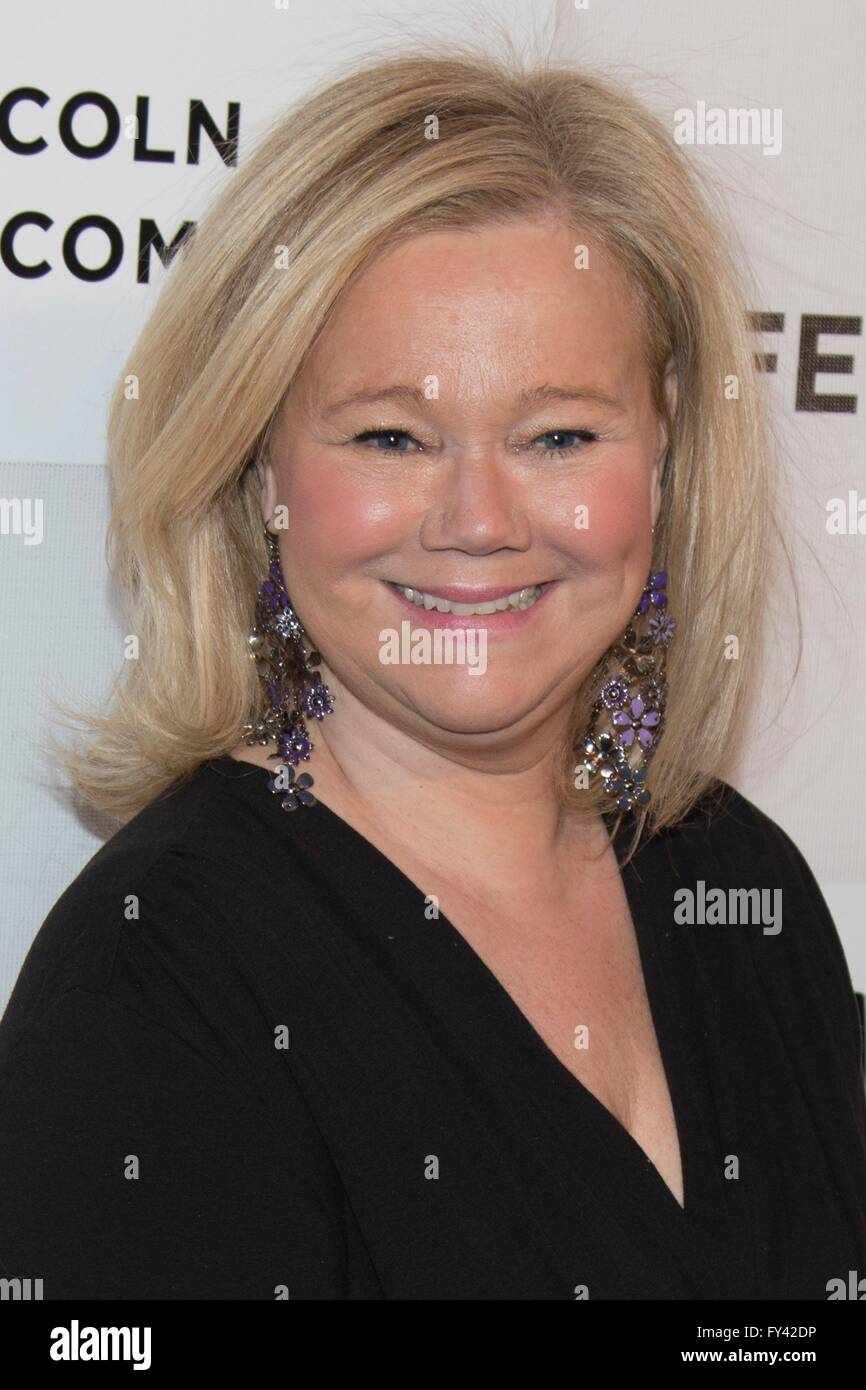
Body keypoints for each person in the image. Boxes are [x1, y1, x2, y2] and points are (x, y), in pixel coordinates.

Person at [1, 45, 864, 1301]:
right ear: (257, 466)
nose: (478, 521)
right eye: (391, 436)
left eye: (557, 434)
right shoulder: (156, 982)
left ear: (664, 448)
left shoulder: (737, 883)